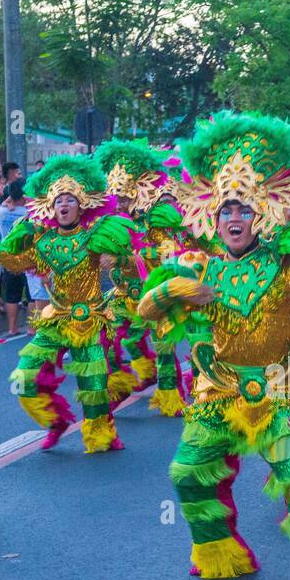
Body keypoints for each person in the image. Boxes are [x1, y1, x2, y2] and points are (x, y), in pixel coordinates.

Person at [136, 111, 290, 580]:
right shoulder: (194, 266)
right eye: (227, 211)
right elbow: (146, 311)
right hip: (216, 394)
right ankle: (218, 549)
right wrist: (175, 290)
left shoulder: (289, 267)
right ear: (213, 217)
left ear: (262, 215)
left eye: (244, 210)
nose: (235, 218)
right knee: (187, 473)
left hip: (276, 393)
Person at [0, 154, 136, 453]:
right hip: (56, 320)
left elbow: (129, 267)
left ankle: (101, 434)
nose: (63, 204)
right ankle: (55, 421)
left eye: (70, 199)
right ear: (51, 206)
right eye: (59, 200)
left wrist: (118, 259)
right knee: (24, 377)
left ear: (81, 205)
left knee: (93, 388)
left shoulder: (94, 236)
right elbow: (17, 262)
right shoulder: (44, 241)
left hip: (89, 321)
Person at [95, 138, 192, 415]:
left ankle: (171, 398)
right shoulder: (107, 224)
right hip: (122, 294)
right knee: (107, 338)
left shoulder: (152, 221)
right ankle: (120, 384)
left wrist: (125, 258)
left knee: (164, 348)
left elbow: (168, 252)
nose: (119, 204)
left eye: (124, 199)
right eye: (115, 199)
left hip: (153, 293)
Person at [0, 179, 31, 336]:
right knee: (31, 294)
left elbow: (6, 202)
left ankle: (12, 328)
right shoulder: (27, 213)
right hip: (27, 257)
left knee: (11, 294)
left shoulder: (2, 212)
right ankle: (32, 327)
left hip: (9, 257)